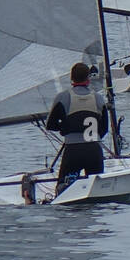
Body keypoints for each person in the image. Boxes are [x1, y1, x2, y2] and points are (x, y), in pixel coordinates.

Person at [45, 63, 109, 192]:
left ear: (71, 78)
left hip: (73, 152)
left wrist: (65, 129)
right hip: (94, 151)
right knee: (96, 190)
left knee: (64, 190)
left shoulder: (62, 97)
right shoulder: (98, 98)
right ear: (88, 78)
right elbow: (104, 128)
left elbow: (50, 125)